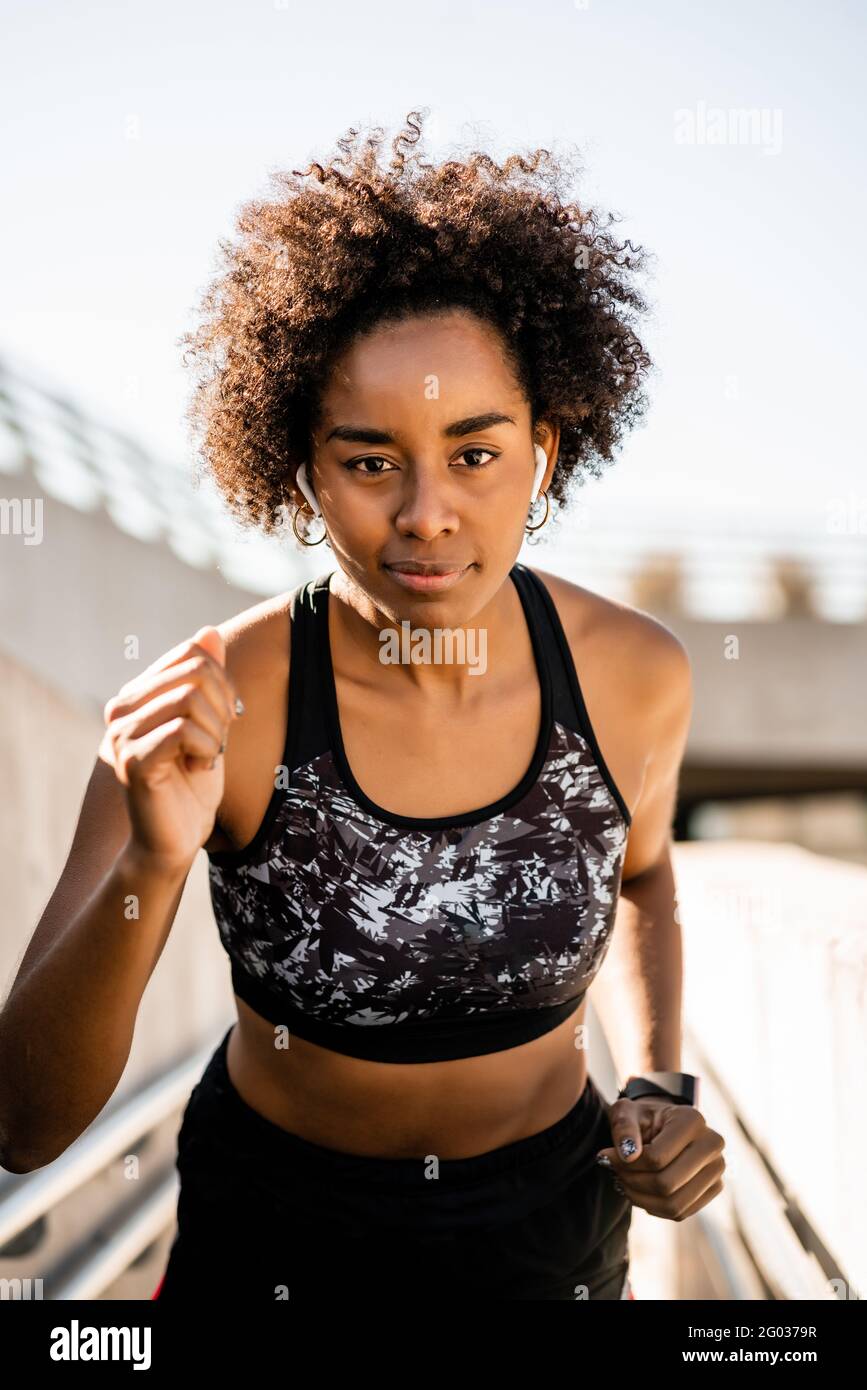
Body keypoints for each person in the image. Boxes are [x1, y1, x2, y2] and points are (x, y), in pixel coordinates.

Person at [0, 111, 725, 1301]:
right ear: (300, 469)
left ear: (545, 452)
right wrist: (153, 855)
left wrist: (656, 1082)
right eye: (371, 458)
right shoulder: (203, 711)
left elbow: (643, 871)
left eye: (477, 453)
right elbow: (24, 1127)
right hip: (276, 1239)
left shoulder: (635, 675)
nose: (428, 512)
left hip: (553, 1235)